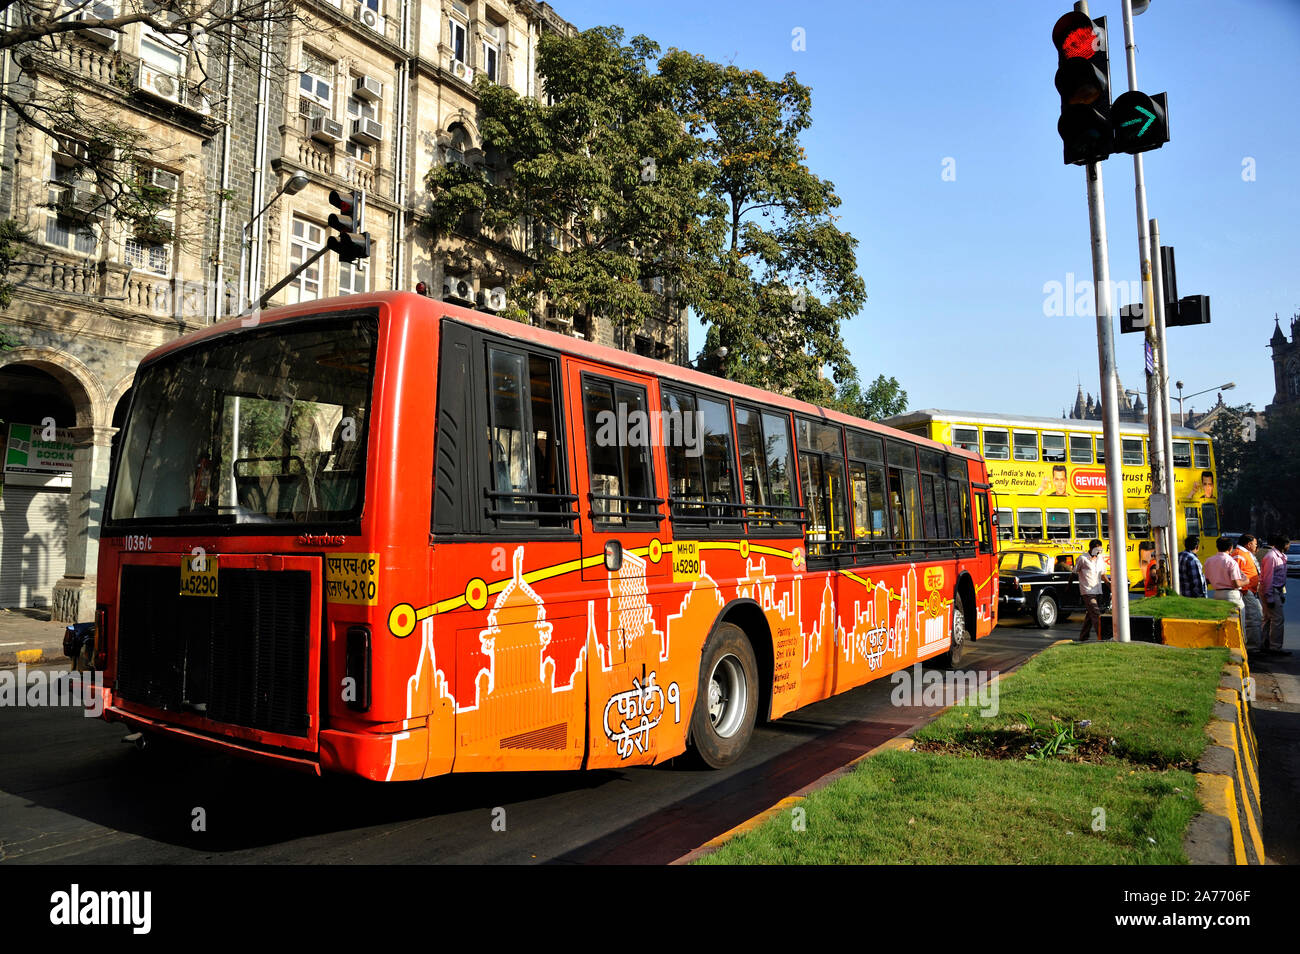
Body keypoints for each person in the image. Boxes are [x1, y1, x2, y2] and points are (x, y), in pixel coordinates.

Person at [1204, 535, 1247, 629]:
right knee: (1237, 623)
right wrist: (1246, 581)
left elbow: (1207, 581)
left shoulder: (1209, 561)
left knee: (1221, 622)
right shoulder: (1231, 562)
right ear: (1230, 548)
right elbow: (1236, 584)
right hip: (1231, 595)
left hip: (1217, 594)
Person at [1231, 534, 1264, 650]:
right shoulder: (1239, 554)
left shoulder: (1244, 553)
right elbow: (1236, 574)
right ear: (1249, 544)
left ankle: (1254, 645)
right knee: (1253, 618)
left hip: (1250, 591)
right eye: (1255, 544)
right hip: (1246, 591)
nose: (1256, 546)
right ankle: (1252, 647)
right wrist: (1244, 590)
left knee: (1256, 616)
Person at [1259, 533, 1290, 655]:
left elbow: (1280, 578)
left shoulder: (1281, 556)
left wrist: (1281, 594)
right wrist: (1270, 597)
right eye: (1288, 544)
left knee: (1267, 618)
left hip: (1275, 590)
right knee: (1277, 619)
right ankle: (1275, 647)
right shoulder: (1272, 557)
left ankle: (1264, 643)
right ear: (1283, 545)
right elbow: (1268, 579)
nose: (1289, 547)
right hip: (1270, 590)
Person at [1077, 539, 1111, 642]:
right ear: (1091, 548)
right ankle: (1101, 637)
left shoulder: (1100, 559)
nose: (1098, 551)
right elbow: (1074, 572)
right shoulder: (1082, 558)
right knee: (1096, 613)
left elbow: (1102, 574)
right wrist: (1069, 587)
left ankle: (1083, 636)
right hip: (1087, 591)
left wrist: (1109, 584)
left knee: (1090, 615)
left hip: (1097, 590)